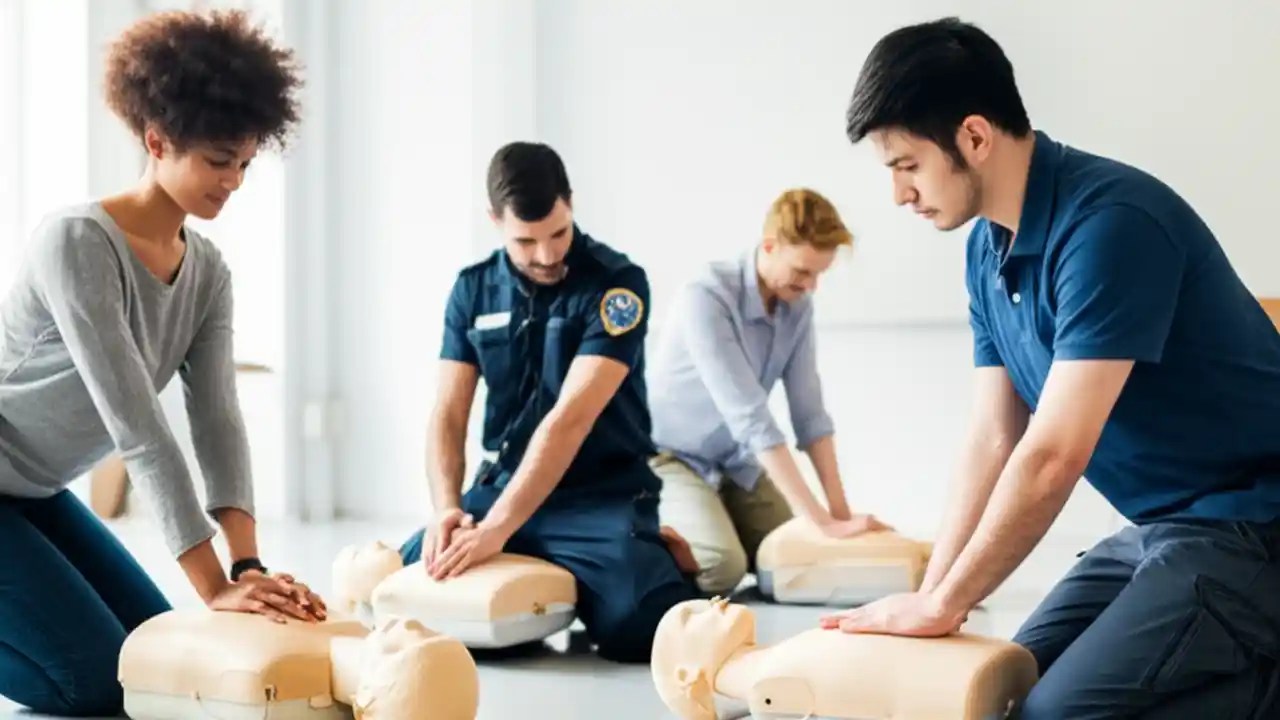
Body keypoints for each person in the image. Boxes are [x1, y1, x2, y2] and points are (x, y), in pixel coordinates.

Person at [821, 17, 1280, 719]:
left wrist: (946, 603)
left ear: (973, 137)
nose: (899, 196)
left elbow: (1053, 453)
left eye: (906, 165)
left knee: (1051, 715)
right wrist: (934, 597)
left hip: (1253, 528)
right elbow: (993, 439)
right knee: (1001, 682)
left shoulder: (1111, 224)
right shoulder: (985, 251)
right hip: (1161, 531)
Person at [0, 10, 326, 716]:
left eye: (243, 162)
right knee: (89, 682)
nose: (234, 181)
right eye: (217, 161)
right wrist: (212, 588)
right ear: (157, 140)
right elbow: (138, 425)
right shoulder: (76, 243)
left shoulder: (208, 273)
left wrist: (247, 567)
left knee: (150, 654)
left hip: (34, 492)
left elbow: (217, 419)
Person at [399, 141, 700, 663]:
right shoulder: (471, 291)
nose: (547, 254)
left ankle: (658, 560)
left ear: (571, 202)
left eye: (558, 233)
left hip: (596, 495)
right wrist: (448, 508)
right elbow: (448, 415)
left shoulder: (618, 285)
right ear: (494, 220)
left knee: (636, 626)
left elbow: (570, 420)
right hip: (502, 487)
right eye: (525, 241)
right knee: (415, 580)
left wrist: (497, 532)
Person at [647, 188, 889, 595]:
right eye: (802, 271)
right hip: (671, 456)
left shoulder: (797, 306)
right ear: (770, 246)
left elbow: (810, 415)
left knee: (794, 558)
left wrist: (839, 518)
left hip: (735, 461)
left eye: (818, 274)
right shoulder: (705, 298)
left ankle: (716, 519)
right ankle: (652, 533)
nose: (811, 286)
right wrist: (820, 521)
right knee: (722, 566)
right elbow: (751, 418)